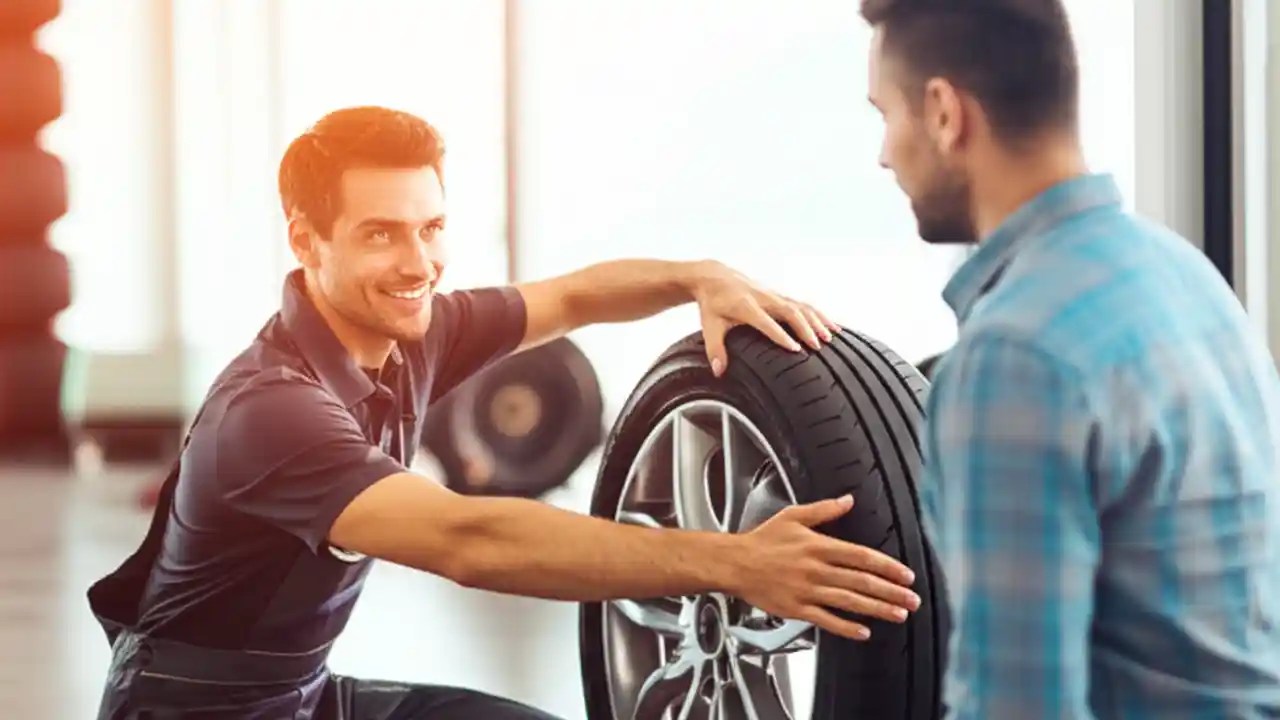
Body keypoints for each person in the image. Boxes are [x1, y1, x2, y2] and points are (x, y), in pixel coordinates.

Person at [88, 105, 923, 719]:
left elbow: (572, 296)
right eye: (381, 234)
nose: (419, 263)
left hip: (301, 699)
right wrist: (731, 563)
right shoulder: (270, 412)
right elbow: (470, 540)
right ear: (308, 242)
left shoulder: (413, 330)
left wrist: (698, 276)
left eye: (432, 227)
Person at [860, 0, 1280, 717]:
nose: (883, 153)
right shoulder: (1187, 275)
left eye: (885, 115)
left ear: (942, 112)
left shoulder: (1013, 357)